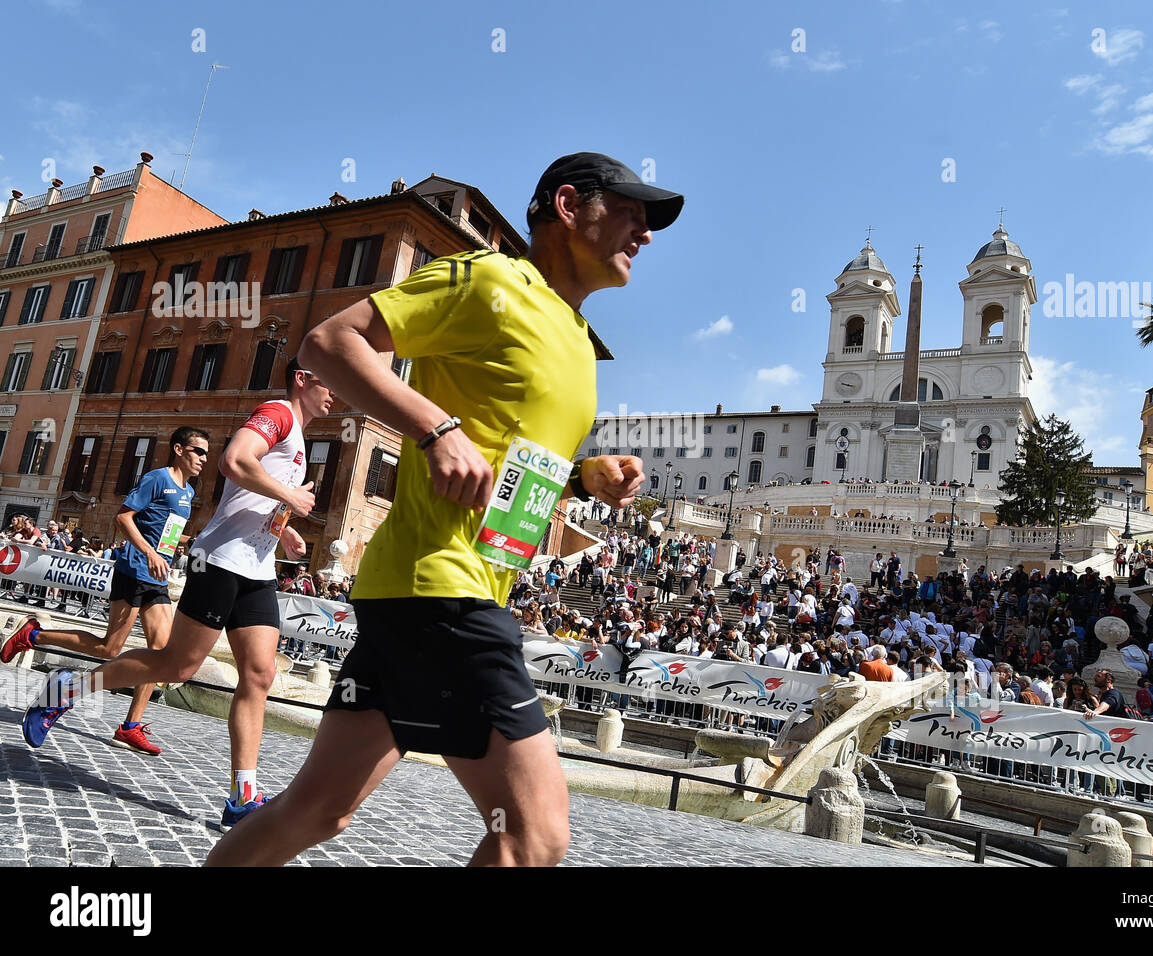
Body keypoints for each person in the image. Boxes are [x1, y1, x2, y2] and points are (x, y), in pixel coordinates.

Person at [203, 151, 682, 868]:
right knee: (533, 837)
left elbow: (512, 474)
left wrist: (584, 481)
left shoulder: (579, 344)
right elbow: (329, 343)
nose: (644, 235)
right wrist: (435, 428)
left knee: (318, 811)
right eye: (630, 213)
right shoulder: (491, 279)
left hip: (433, 592)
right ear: (566, 205)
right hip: (443, 592)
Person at [22, 360, 331, 829]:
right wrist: (290, 498)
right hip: (222, 561)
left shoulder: (299, 438)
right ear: (303, 378)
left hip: (258, 568)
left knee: (261, 672)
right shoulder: (278, 413)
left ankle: (242, 793)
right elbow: (234, 461)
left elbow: (248, 495)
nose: (338, 393)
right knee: (178, 665)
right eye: (330, 380)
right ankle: (67, 688)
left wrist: (283, 529)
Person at [3, 427, 210, 756]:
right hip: (134, 569)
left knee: (162, 653)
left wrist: (194, 544)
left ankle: (130, 726)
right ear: (179, 450)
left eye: (206, 454)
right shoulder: (158, 479)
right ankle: (34, 635)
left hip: (156, 577)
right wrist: (149, 552)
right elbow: (123, 518)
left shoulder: (188, 491)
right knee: (109, 648)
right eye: (198, 451)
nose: (203, 459)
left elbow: (168, 534)